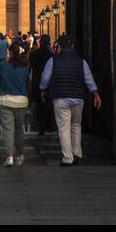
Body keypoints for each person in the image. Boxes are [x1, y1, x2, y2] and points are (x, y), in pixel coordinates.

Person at [39, 34, 102, 167]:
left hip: (60, 97)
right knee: (76, 126)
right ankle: (77, 153)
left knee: (64, 128)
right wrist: (96, 95)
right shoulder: (81, 62)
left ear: (59, 47)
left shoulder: (53, 60)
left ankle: (68, 158)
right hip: (78, 97)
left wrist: (43, 90)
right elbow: (89, 79)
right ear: (72, 46)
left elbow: (45, 78)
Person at [0, 43, 30, 166]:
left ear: (9, 52)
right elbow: (27, 81)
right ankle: (19, 156)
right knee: (20, 129)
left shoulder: (4, 64)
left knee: (8, 130)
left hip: (6, 99)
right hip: (21, 100)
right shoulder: (25, 65)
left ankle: (9, 156)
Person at [29, 34, 54, 136]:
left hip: (37, 82)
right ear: (48, 43)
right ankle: (49, 126)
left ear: (39, 42)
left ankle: (41, 128)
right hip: (49, 83)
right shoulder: (51, 55)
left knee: (39, 105)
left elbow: (29, 68)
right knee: (49, 104)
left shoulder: (34, 54)